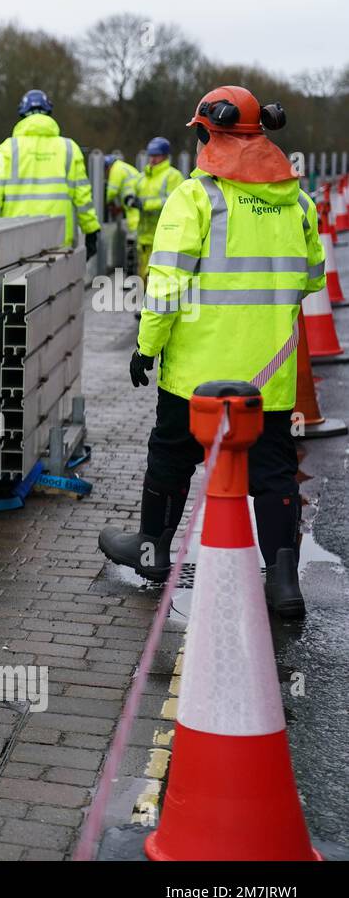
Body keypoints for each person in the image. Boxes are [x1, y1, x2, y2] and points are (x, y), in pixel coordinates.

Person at [98, 86, 324, 619]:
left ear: (207, 133)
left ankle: (152, 550)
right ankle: (284, 582)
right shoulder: (299, 201)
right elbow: (311, 278)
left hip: (196, 375)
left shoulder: (196, 197)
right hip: (269, 376)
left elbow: (167, 284)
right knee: (273, 471)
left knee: (172, 456)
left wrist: (145, 346)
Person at [0, 89, 100, 256]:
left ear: (23, 114)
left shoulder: (8, 148)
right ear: (48, 113)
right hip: (59, 240)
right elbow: (83, 198)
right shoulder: (69, 148)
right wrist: (91, 230)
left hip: (16, 240)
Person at [129, 136, 185, 279]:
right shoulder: (142, 177)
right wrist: (129, 197)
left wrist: (145, 205)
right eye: (151, 155)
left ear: (165, 156)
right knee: (143, 277)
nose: (153, 159)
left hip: (163, 238)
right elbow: (131, 190)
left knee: (157, 278)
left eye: (156, 156)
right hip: (144, 238)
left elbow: (172, 202)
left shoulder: (173, 176)